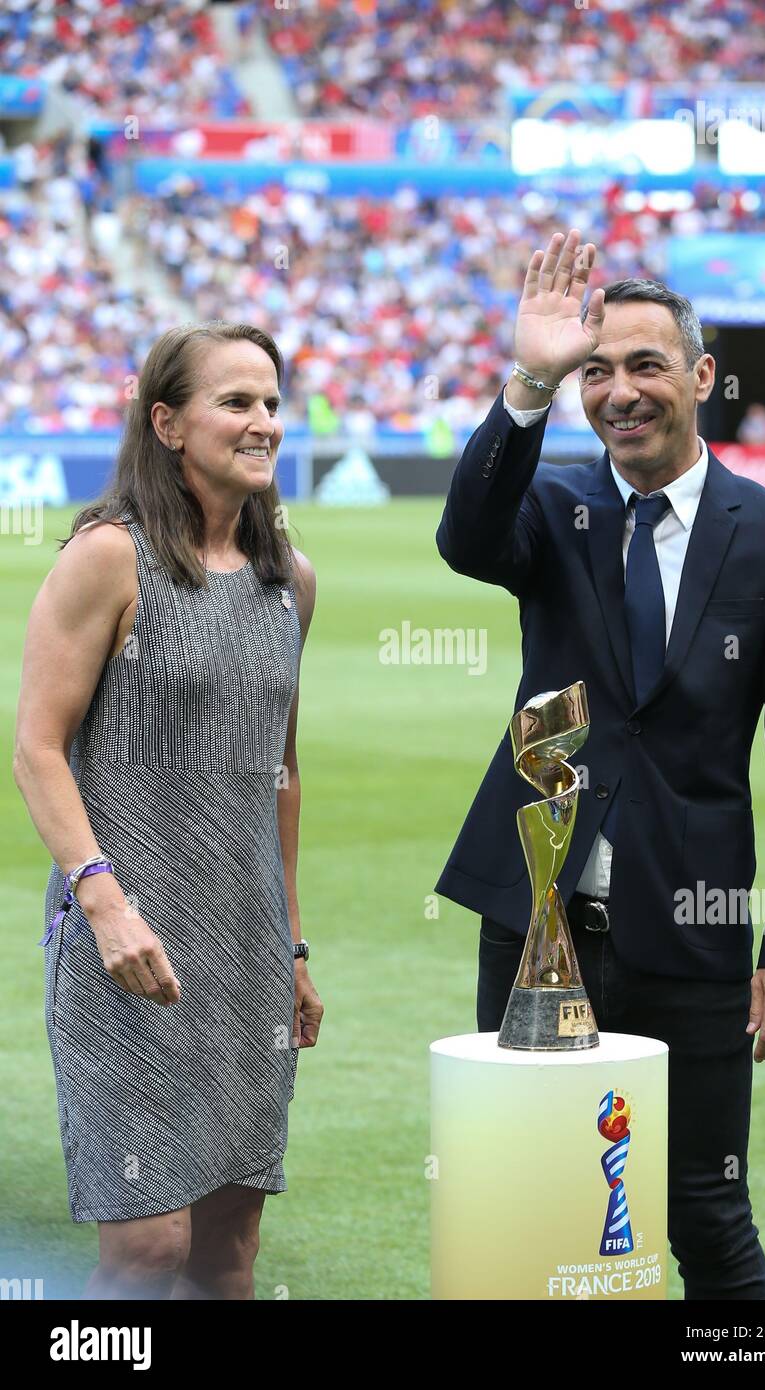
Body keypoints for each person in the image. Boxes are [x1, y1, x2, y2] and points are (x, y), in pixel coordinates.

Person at [435, 230, 765, 1300]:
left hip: (696, 928)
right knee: (533, 1200)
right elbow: (463, 537)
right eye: (594, 369)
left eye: (645, 365)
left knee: (702, 1215)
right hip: (536, 923)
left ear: (700, 376)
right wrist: (528, 378)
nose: (618, 392)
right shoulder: (550, 509)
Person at [14, 321, 323, 1300]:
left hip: (242, 955)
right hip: (124, 953)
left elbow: (279, 769)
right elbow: (36, 748)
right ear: (168, 421)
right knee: (146, 1251)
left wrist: (294, 947)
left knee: (227, 1256)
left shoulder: (291, 581)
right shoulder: (109, 557)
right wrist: (102, 899)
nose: (262, 421)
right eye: (235, 401)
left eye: (271, 401)